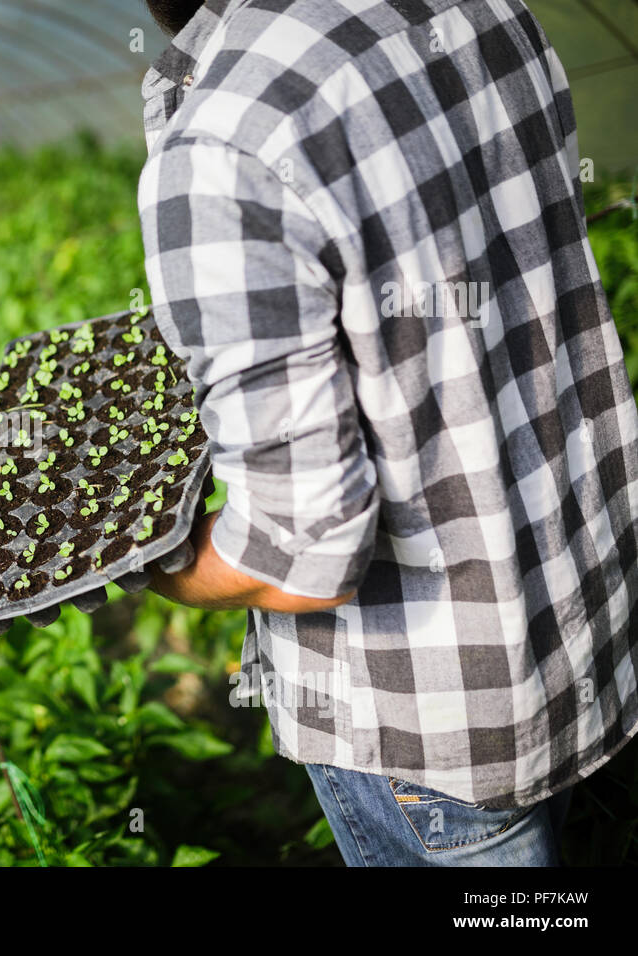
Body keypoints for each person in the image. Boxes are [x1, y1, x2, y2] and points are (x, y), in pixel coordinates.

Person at [138, 0, 638, 865]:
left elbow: (299, 555)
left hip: (431, 725)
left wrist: (153, 565)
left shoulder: (222, 139)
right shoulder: (481, 7)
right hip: (591, 615)